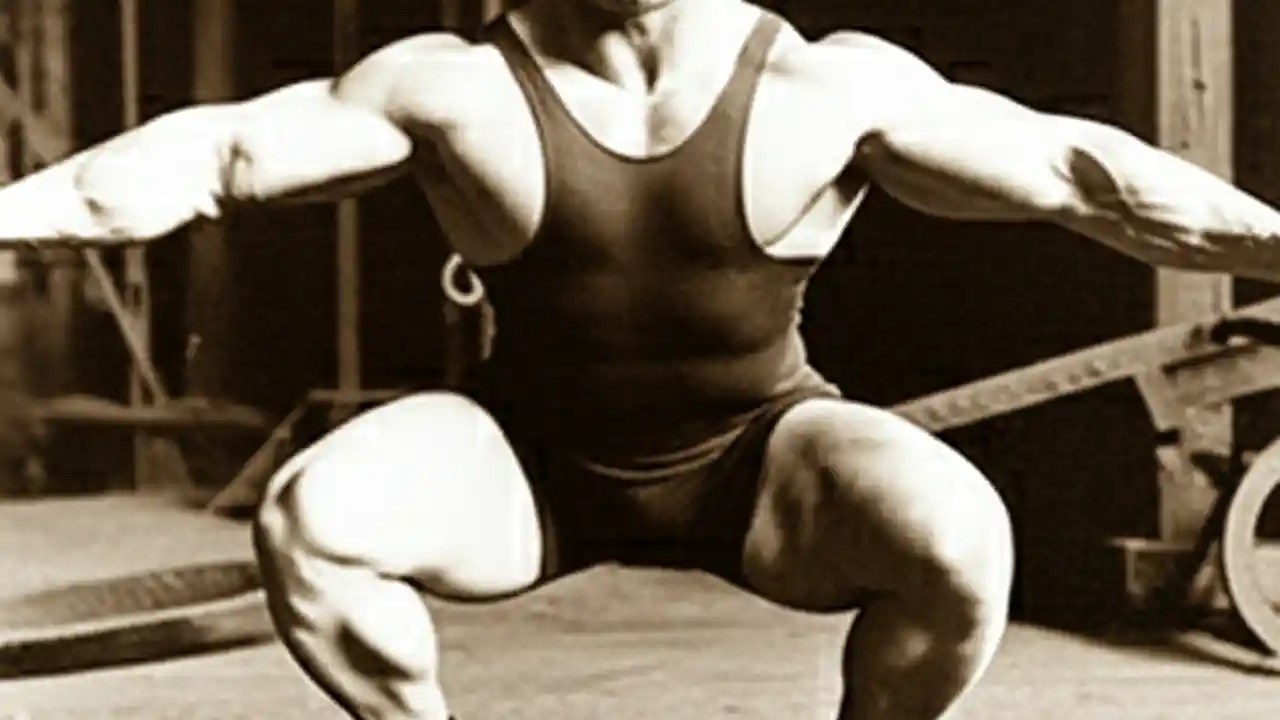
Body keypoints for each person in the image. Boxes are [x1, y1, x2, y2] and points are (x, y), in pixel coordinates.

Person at [3, 0, 1280, 717]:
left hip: (761, 460)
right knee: (311, 521)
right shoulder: (455, 86)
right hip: (527, 462)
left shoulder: (821, 89)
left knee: (958, 541)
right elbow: (209, 161)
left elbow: (1085, 178)